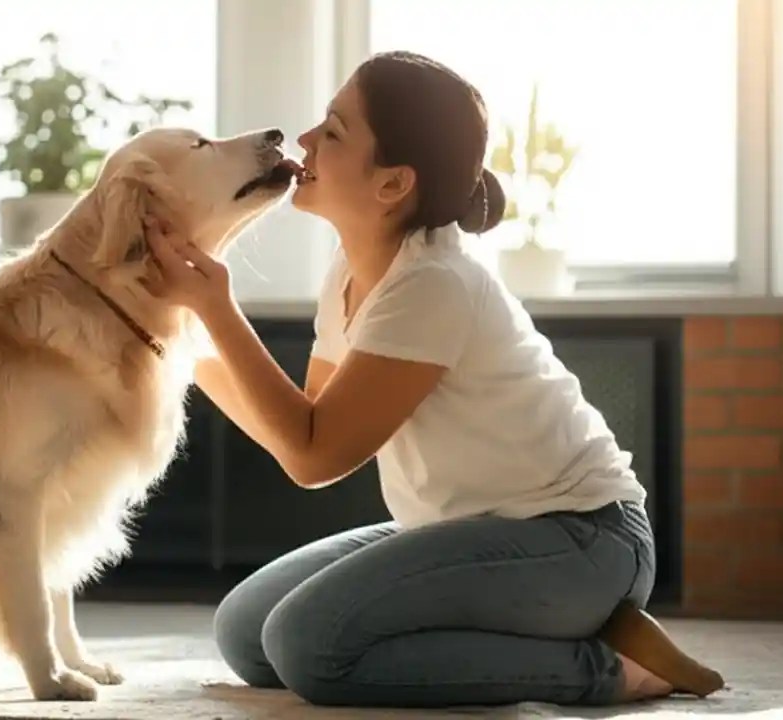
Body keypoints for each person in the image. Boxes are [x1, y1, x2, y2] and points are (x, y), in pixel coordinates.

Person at [140, 50, 724, 708]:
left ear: (393, 184)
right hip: (465, 531)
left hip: (582, 541)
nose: (304, 140)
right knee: (247, 633)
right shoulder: (352, 271)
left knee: (308, 646)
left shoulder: (432, 284)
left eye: (333, 132)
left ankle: (608, 666)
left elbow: (313, 456)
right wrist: (180, 330)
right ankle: (539, 626)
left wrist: (215, 307)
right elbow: (304, 417)